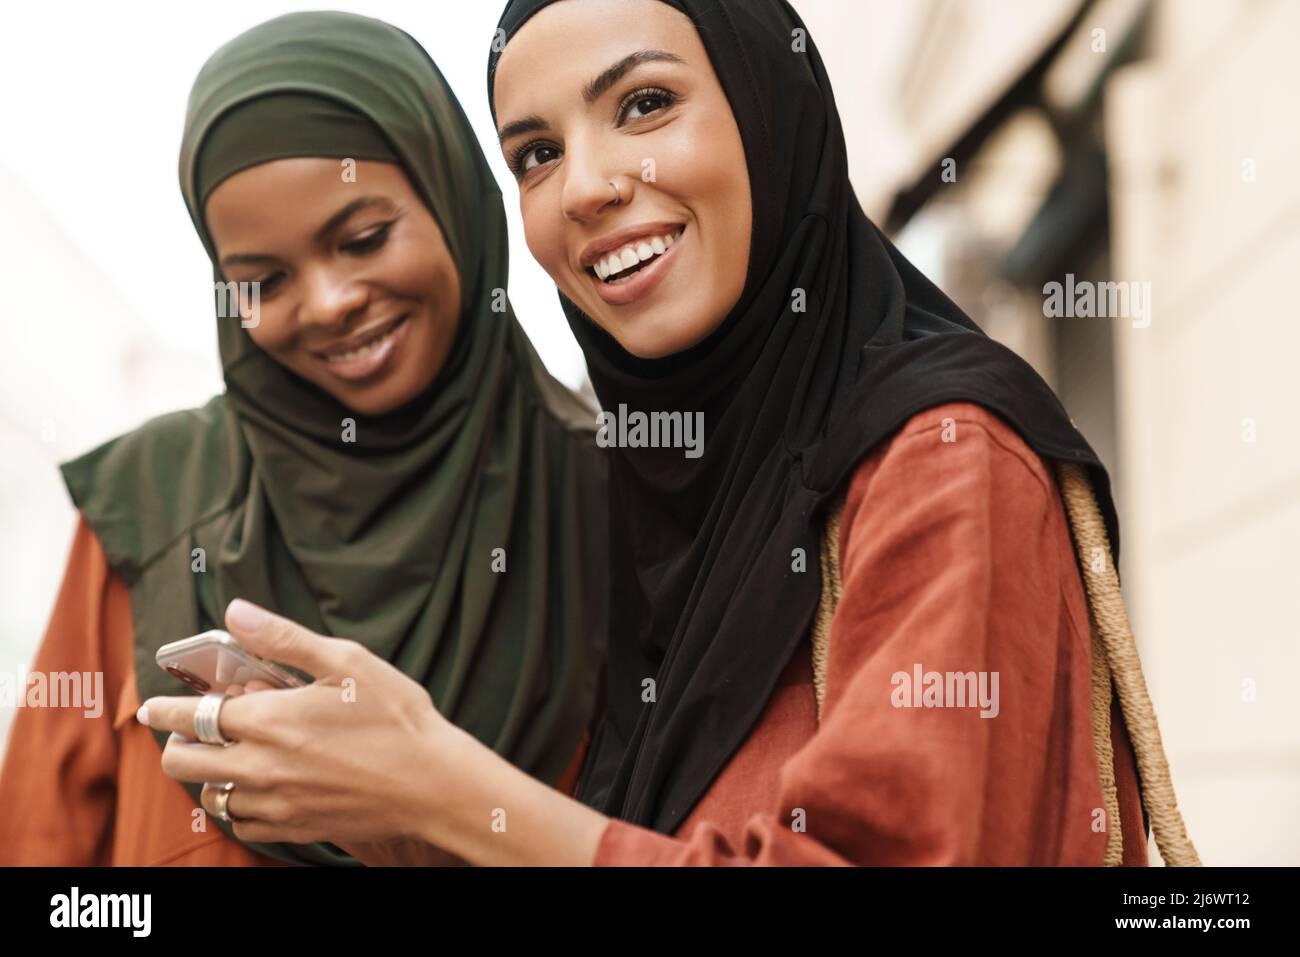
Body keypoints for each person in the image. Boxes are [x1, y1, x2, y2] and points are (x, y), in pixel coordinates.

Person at [142, 0, 1198, 866]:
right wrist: (402, 825)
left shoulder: (941, 457)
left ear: (766, 112)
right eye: (537, 154)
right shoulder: (663, 495)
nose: (589, 186)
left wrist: (444, 786)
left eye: (644, 105)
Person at [0, 11, 607, 866]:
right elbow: (41, 847)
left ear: (453, 198)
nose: (326, 303)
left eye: (362, 240)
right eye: (263, 280)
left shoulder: (607, 494)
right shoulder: (154, 500)